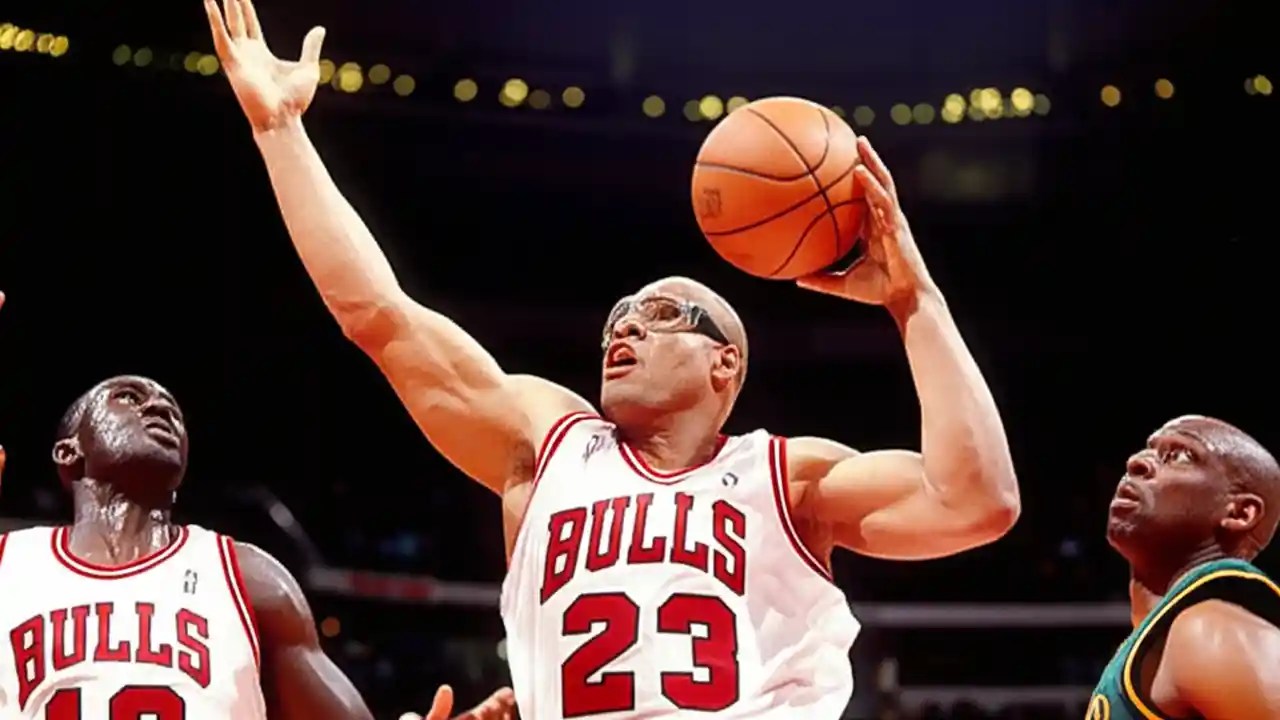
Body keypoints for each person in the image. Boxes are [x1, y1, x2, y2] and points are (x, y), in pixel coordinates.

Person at [203, 0, 1021, 715]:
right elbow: (378, 315)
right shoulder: (549, 445)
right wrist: (280, 131)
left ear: (724, 364)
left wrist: (915, 301)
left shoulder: (788, 479)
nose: (623, 330)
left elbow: (977, 500)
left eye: (661, 315)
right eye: (617, 320)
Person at [0, 299, 512, 720]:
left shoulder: (251, 579)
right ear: (69, 453)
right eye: (128, 399)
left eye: (171, 409)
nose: (157, 408)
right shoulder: (8, 565)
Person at [1087, 415, 1280, 720]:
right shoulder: (1162, 642)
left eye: (1180, 456)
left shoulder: (1208, 628)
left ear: (1240, 512)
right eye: (1148, 449)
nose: (1137, 462)